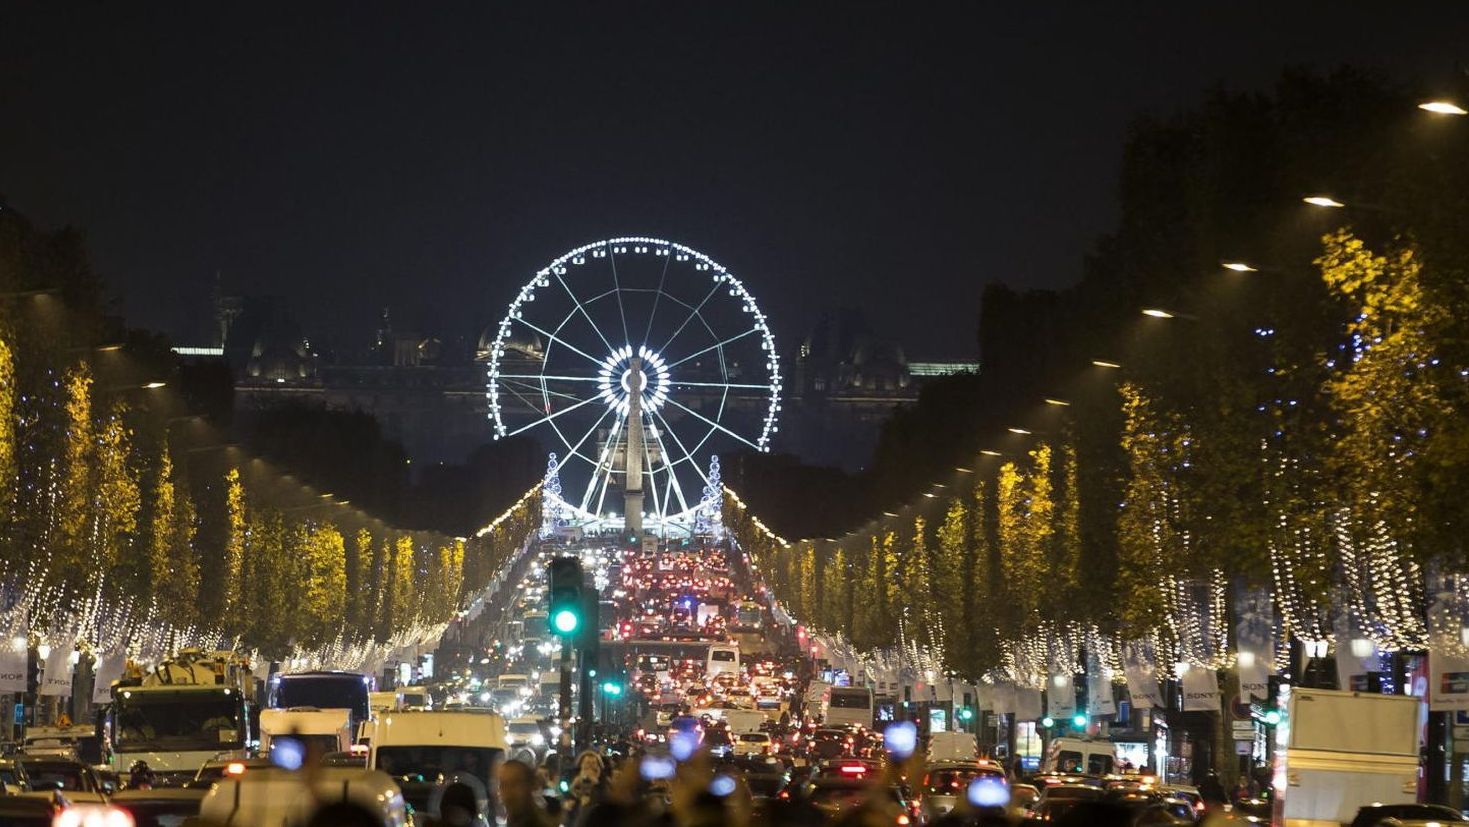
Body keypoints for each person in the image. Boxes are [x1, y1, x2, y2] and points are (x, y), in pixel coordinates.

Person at [498, 759, 554, 827]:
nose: (508, 791)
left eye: (515, 783)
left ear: (529, 786)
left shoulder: (541, 822)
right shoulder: (513, 820)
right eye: (504, 784)